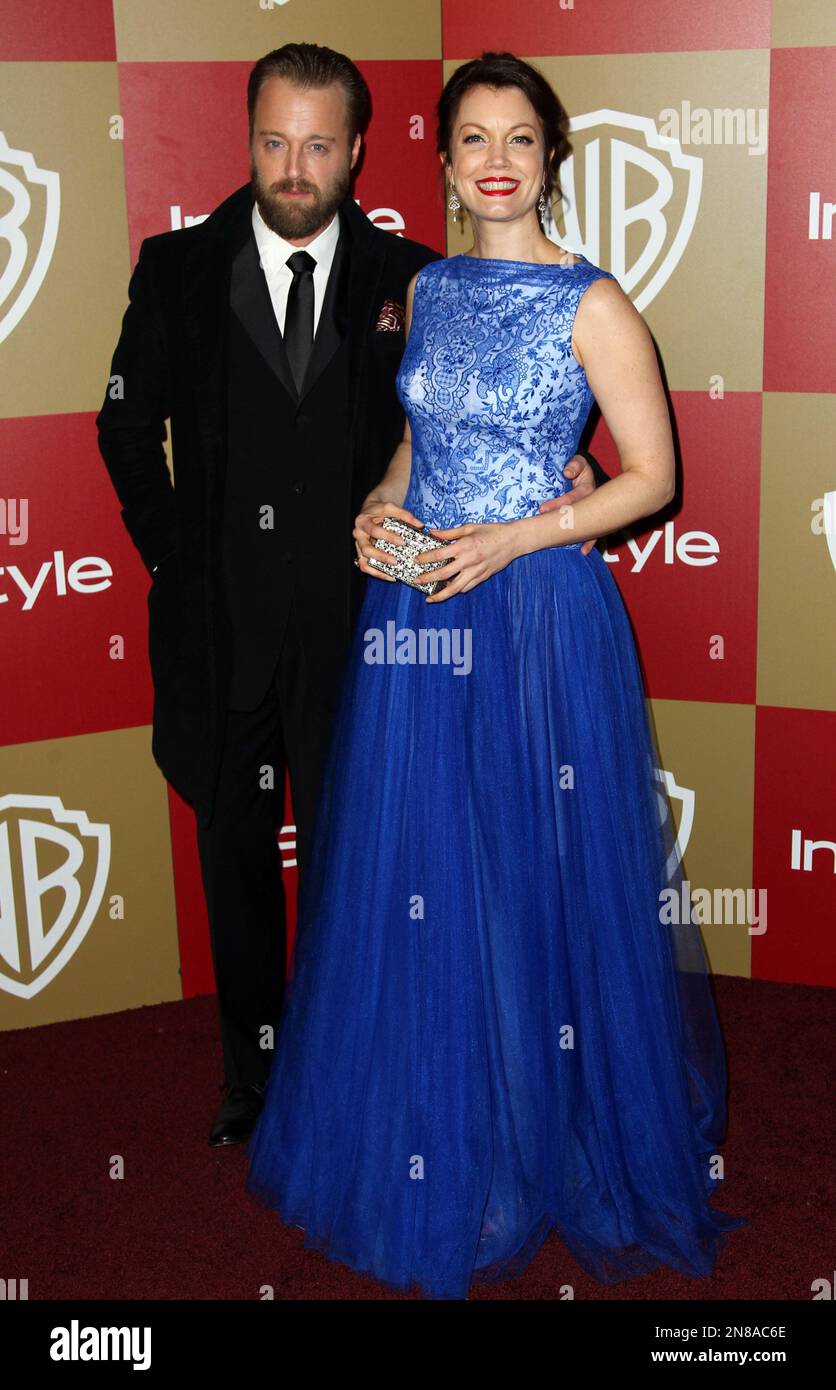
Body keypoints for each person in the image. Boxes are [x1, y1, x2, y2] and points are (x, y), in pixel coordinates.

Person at [245, 51, 747, 1299]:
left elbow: (650, 479)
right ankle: (446, 1143)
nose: (495, 160)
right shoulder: (428, 289)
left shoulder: (592, 302)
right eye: (472, 138)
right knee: (429, 877)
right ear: (443, 160)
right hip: (419, 615)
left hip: (532, 621)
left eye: (519, 138)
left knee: (528, 878)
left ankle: (536, 1148)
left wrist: (513, 536)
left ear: (549, 158)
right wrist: (377, 506)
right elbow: (422, 438)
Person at [96, 43, 603, 1148]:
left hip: (372, 631)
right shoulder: (175, 268)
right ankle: (253, 1076)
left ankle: (347, 1067)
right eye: (273, 140)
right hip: (219, 634)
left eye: (317, 143)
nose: (293, 165)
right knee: (233, 853)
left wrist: (569, 469)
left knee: (360, 861)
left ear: (358, 149)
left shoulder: (411, 280)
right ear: (248, 138)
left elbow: (465, 426)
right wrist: (182, 563)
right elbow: (124, 428)